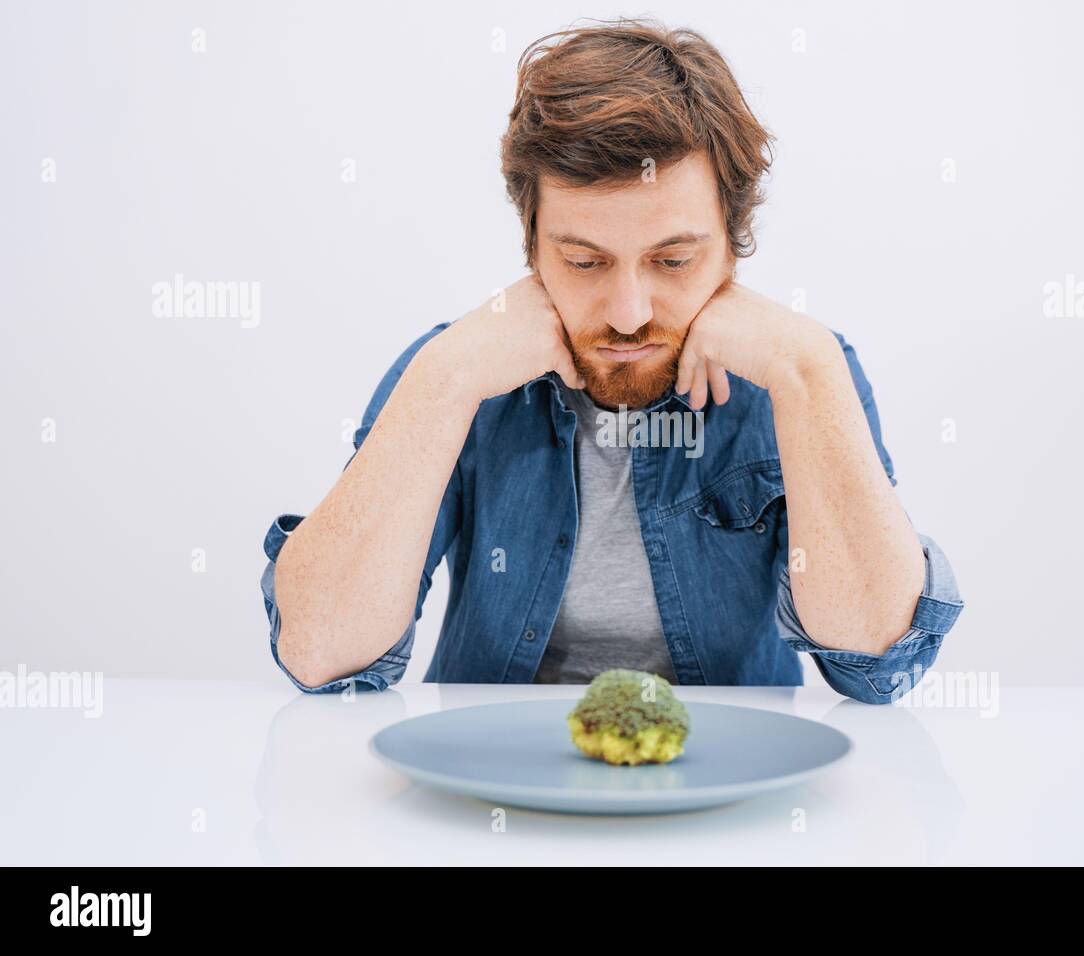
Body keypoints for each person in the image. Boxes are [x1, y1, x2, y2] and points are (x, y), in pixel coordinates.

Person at [260, 18, 963, 704]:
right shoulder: (456, 372)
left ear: (733, 242)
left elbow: (877, 661)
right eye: (584, 261)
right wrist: (443, 381)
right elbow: (322, 654)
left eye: (674, 260)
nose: (628, 312)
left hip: (729, 805)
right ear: (532, 246)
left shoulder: (801, 375)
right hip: (494, 797)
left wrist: (808, 372)